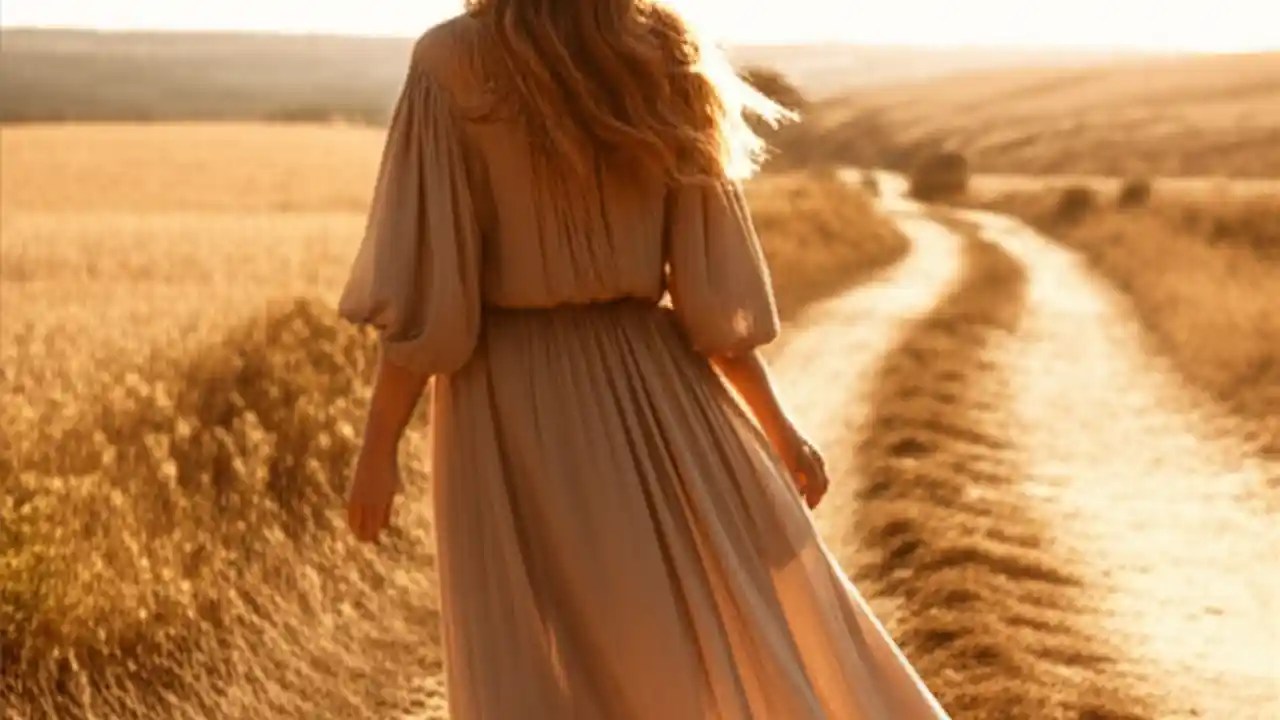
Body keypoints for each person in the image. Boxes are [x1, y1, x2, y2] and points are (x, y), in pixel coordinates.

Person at [338, 1, 950, 717]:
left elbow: (431, 295)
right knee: (668, 640)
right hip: (655, 389)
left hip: (506, 395)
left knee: (541, 659)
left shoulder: (448, 60)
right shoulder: (662, 48)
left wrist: (378, 446)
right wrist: (777, 427)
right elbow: (714, 305)